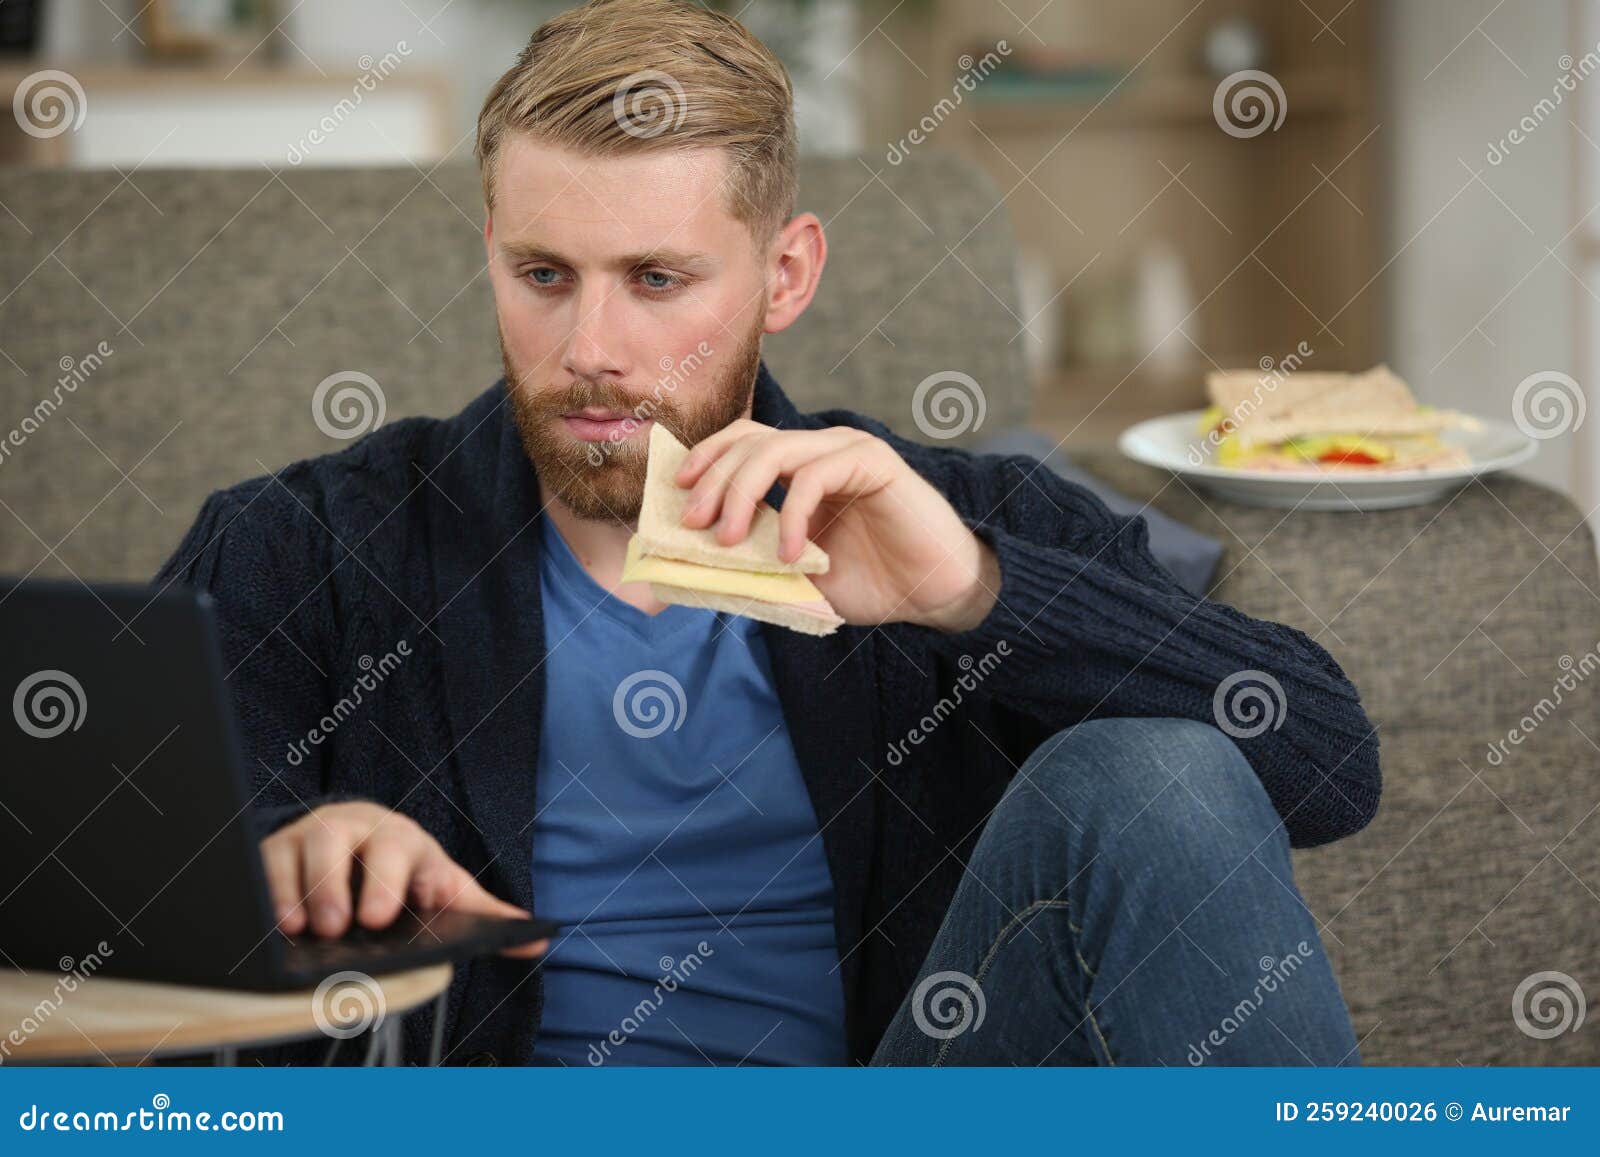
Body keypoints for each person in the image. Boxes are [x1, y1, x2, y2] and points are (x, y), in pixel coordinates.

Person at [158, 0, 1379, 1067]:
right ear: (489, 255)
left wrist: (970, 590)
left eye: (655, 280)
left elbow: (1326, 761)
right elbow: (80, 910)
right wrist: (279, 851)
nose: (591, 349)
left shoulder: (962, 519)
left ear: (783, 275)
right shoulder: (303, 546)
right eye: (542, 275)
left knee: (1150, 772)